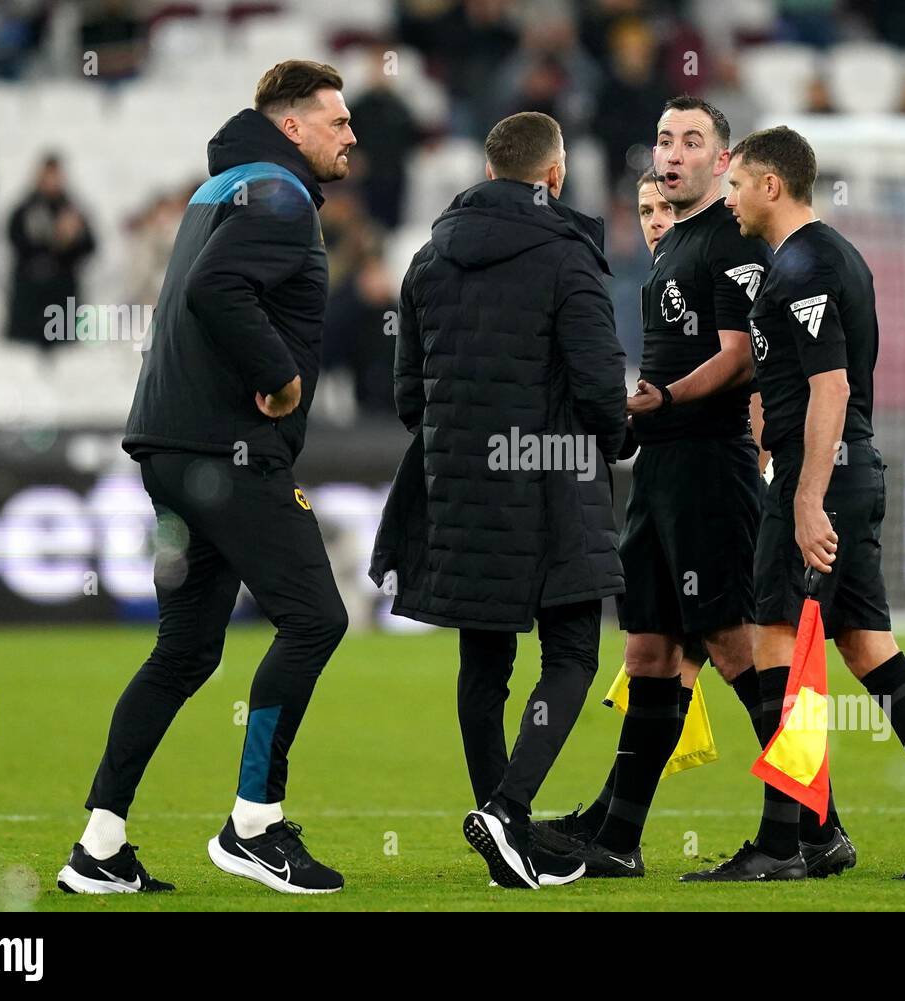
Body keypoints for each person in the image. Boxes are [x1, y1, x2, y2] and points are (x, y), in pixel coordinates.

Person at [58, 60, 357, 896]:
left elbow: (204, 285)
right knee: (315, 619)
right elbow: (217, 290)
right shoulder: (282, 197)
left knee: (184, 650)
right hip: (226, 453)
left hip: (172, 446)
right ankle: (254, 823)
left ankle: (99, 843)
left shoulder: (224, 187)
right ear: (292, 125)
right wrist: (282, 374)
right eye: (337, 120)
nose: (351, 134)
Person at [690, 124, 905, 882]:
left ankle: (784, 841)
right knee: (866, 648)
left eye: (735, 185)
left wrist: (805, 497)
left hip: (824, 475)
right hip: (845, 470)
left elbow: (832, 386)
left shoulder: (809, 265)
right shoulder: (815, 259)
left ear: (771, 185)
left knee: (773, 639)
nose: (726, 199)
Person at [370, 111, 628, 889]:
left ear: (488, 174)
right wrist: (608, 441)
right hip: (552, 484)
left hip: (461, 490)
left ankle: (497, 822)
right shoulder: (568, 257)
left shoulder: (426, 258)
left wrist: (464, 447)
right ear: (554, 177)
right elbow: (597, 386)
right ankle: (510, 811)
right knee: (573, 652)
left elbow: (408, 395)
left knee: (484, 663)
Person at [562, 96, 778, 880]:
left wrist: (662, 400)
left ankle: (816, 821)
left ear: (723, 162)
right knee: (649, 648)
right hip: (661, 467)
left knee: (733, 645)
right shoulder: (674, 243)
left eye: (692, 140)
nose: (673, 151)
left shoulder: (727, 239)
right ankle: (619, 838)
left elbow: (740, 357)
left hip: (707, 467)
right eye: (663, 138)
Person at [5, 154, 95, 350]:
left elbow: (90, 247)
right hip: (29, 301)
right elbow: (16, 242)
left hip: (62, 300)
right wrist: (54, 240)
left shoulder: (73, 209)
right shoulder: (24, 209)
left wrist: (72, 239)